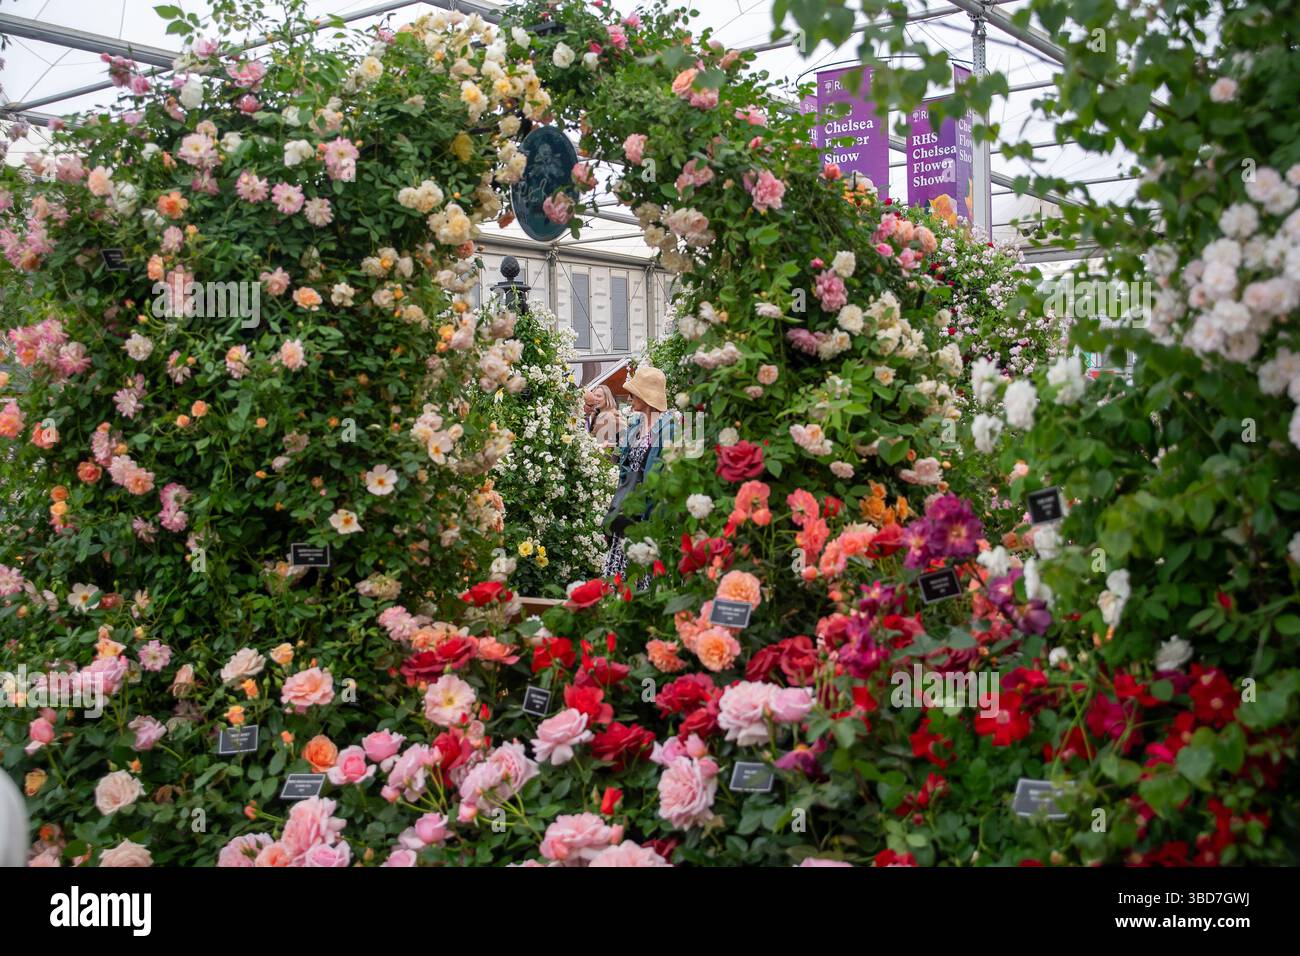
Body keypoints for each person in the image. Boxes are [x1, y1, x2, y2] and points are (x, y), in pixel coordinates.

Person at [602, 365, 674, 582]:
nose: (630, 397)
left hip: (647, 517)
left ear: (647, 396)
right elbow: (624, 468)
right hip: (626, 513)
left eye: (635, 392)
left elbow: (666, 479)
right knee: (619, 582)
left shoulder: (669, 428)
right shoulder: (635, 425)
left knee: (641, 580)